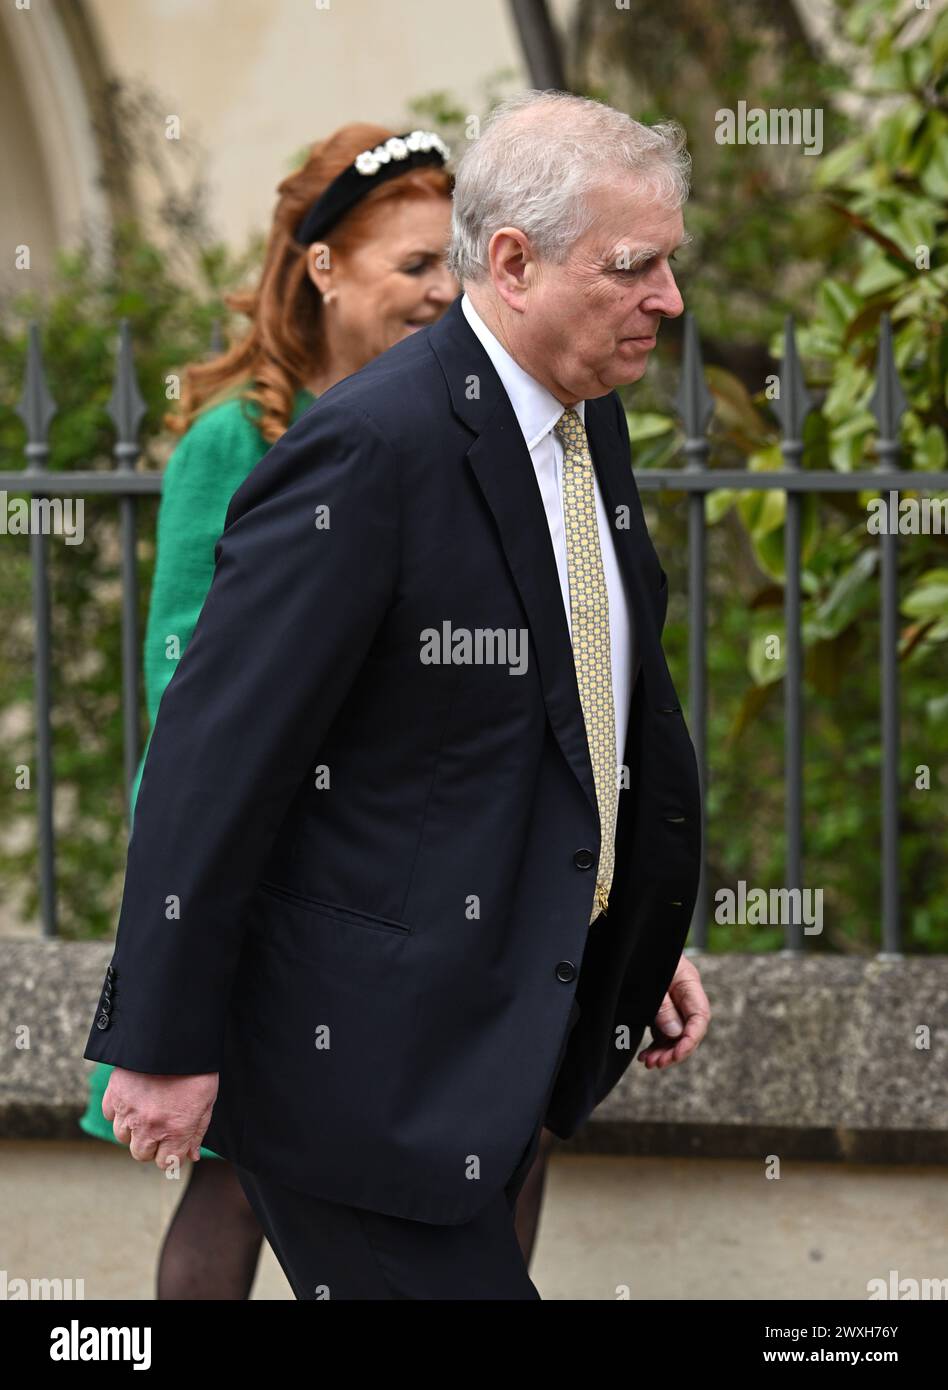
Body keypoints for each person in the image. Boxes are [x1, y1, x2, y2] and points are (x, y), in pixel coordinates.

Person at [82, 90, 712, 1301]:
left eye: (668, 263)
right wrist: (159, 1043)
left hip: (494, 1026)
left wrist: (620, 914)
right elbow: (219, 751)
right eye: (634, 266)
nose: (668, 299)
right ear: (516, 263)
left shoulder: (587, 422)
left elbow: (565, 712)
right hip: (357, 1071)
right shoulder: (369, 449)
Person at [79, 121, 459, 1298]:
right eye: (416, 267)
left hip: (404, 866)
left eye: (455, 263)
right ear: (323, 268)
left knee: (461, 1150)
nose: (447, 292)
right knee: (241, 1166)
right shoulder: (235, 436)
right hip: (271, 870)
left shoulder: (447, 419)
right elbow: (190, 691)